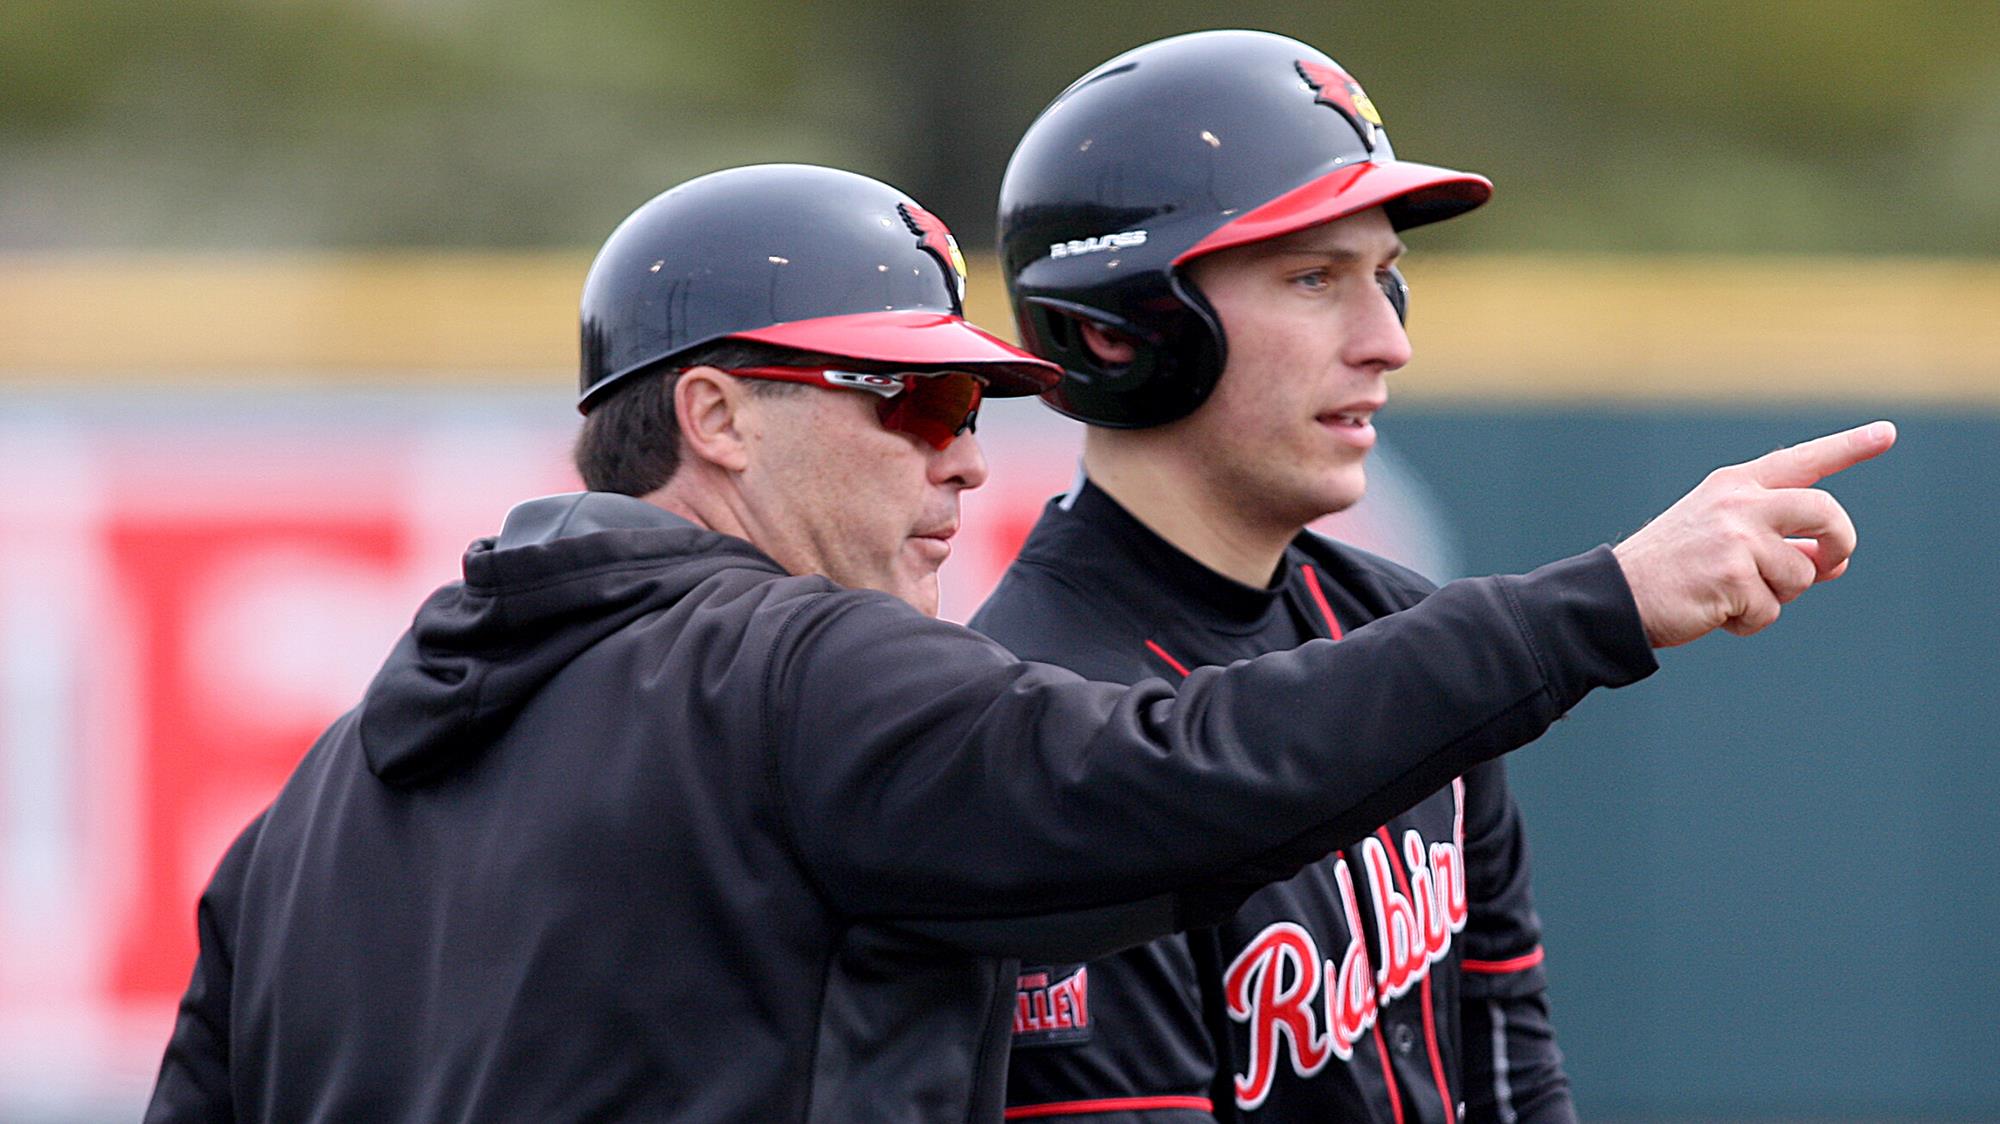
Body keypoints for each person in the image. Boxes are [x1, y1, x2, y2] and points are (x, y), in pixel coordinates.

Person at [144, 161, 1885, 1123]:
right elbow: (1179, 773)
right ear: (718, 415)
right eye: (907, 399)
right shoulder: (784, 671)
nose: (967, 455)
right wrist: (1602, 601)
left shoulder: (313, 811)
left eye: (975, 404)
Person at [976, 30, 1886, 1124]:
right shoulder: (1034, 724)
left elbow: (1513, 1075)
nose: (1387, 340)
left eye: (1385, 276)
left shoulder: (1398, 628)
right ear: (1117, 330)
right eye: (1314, 278)